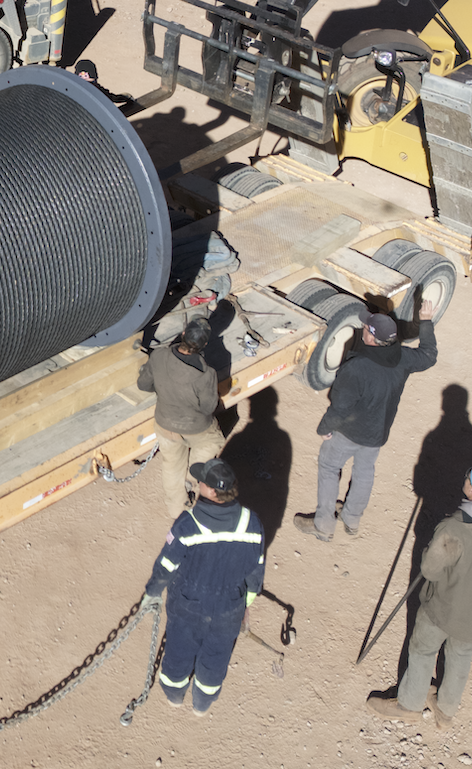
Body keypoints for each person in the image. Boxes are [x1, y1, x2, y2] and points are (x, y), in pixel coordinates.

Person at [369, 463, 472, 728]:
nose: (465, 478)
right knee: (461, 654)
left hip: (442, 609)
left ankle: (409, 705)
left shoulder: (454, 529)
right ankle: (446, 710)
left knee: (423, 649)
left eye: (468, 477)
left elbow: (430, 570)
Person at [292, 299, 438, 541]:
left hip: (348, 433)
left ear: (371, 337)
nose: (362, 329)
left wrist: (325, 428)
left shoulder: (357, 367)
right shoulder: (402, 357)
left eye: (366, 328)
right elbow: (429, 355)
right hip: (377, 433)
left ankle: (324, 524)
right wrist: (426, 321)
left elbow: (340, 407)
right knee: (364, 471)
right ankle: (351, 519)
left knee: (329, 467)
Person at [140, 459, 265, 716]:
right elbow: (256, 568)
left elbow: (166, 565)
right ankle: (202, 704)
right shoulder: (252, 523)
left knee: (179, 651)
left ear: (212, 491)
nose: (198, 483)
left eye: (202, 481)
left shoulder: (188, 524)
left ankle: (174, 695)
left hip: (189, 605)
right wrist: (246, 602)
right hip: (229, 607)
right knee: (216, 656)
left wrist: (152, 592)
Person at [137, 316, 222, 518]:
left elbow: (143, 384)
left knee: (172, 465)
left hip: (165, 423)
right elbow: (208, 407)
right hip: (196, 427)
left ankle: (176, 510)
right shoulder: (205, 374)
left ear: (183, 334)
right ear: (204, 345)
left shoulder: (159, 356)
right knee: (213, 441)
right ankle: (192, 479)